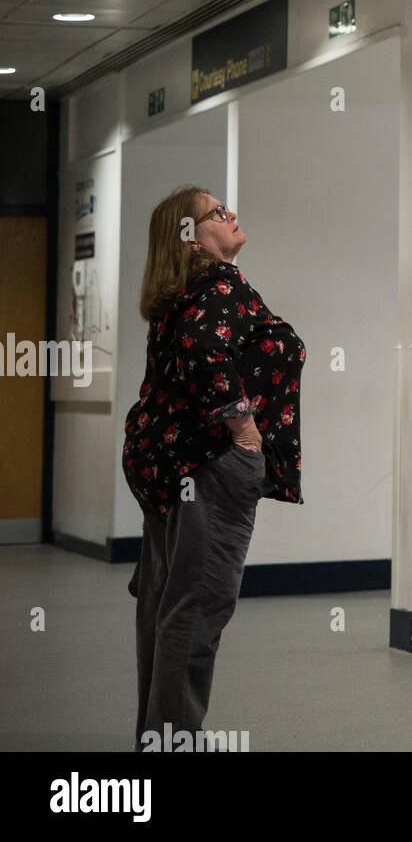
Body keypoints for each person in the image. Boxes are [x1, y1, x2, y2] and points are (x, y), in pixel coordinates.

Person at [121, 184, 306, 752]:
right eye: (216, 213)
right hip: (211, 464)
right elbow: (207, 353)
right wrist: (244, 431)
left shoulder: (185, 292)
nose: (231, 216)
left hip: (166, 462)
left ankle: (156, 740)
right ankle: (173, 743)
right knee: (197, 607)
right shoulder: (219, 286)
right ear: (193, 240)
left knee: (166, 605)